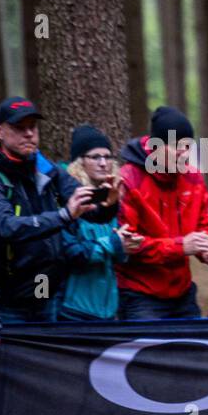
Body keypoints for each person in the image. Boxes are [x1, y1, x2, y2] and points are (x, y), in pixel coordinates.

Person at [0, 97, 120, 324]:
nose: (29, 134)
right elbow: (5, 226)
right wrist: (63, 215)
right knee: (13, 357)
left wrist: (108, 203)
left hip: (44, 286)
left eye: (32, 127)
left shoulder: (45, 167)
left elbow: (85, 203)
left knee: (45, 353)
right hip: (7, 296)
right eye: (19, 128)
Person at [115, 106, 208, 319]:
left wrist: (206, 247)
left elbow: (204, 223)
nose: (185, 154)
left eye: (188, 146)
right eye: (178, 147)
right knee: (148, 353)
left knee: (195, 351)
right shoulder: (129, 180)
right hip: (140, 296)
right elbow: (128, 245)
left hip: (183, 293)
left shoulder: (193, 177)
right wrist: (181, 246)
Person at [58, 126, 143, 321]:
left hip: (108, 310)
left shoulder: (112, 198)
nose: (103, 163)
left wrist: (125, 246)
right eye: (95, 157)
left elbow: (115, 253)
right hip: (73, 310)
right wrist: (112, 243)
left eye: (107, 157)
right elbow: (72, 253)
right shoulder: (69, 198)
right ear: (80, 161)